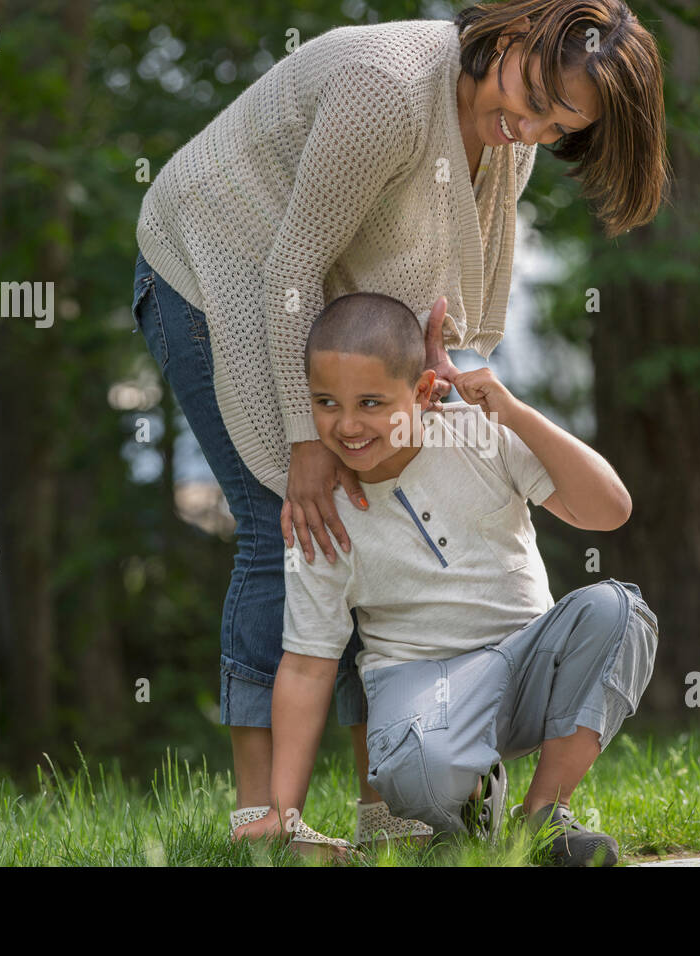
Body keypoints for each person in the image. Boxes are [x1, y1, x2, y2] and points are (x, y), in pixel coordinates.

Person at [130, 0, 669, 847]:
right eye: (531, 96)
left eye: (556, 125)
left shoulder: (504, 141)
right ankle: (264, 818)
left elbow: (467, 308)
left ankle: (383, 811)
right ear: (520, 31)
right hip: (218, 265)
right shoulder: (387, 90)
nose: (527, 127)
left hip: (310, 284)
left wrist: (459, 402)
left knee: (361, 518)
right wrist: (306, 445)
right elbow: (288, 272)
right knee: (292, 525)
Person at [235, 292, 659, 865]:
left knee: (617, 609)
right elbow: (308, 666)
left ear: (421, 391)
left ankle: (543, 817)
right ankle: (474, 823)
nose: (348, 424)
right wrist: (284, 810)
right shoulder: (325, 512)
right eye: (326, 403)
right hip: (422, 689)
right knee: (421, 771)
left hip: (528, 662)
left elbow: (609, 509)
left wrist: (516, 414)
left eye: (370, 402)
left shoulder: (480, 434)